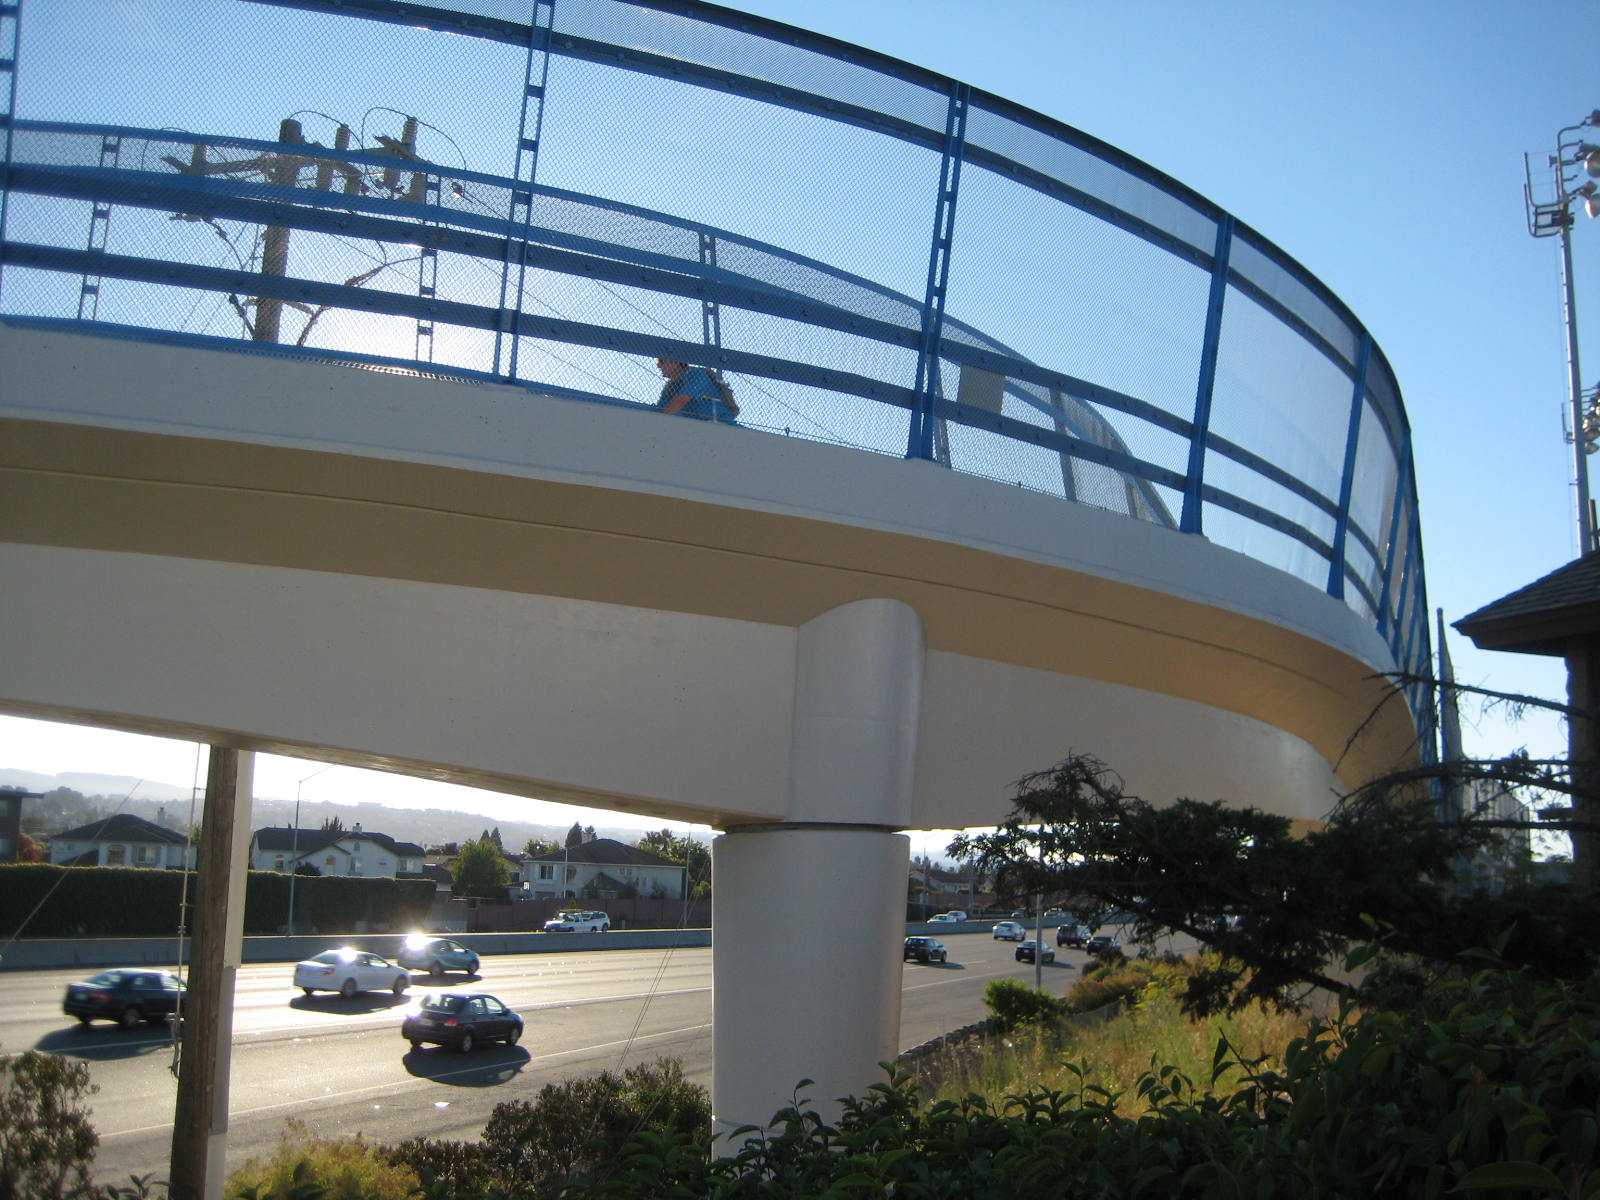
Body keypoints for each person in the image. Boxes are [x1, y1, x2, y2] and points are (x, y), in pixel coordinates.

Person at [654, 358, 738, 424]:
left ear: (675, 362)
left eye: (662, 361)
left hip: (719, 421)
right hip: (694, 423)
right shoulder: (670, 386)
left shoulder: (696, 373)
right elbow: (660, 409)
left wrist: (657, 423)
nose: (659, 365)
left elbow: (681, 400)